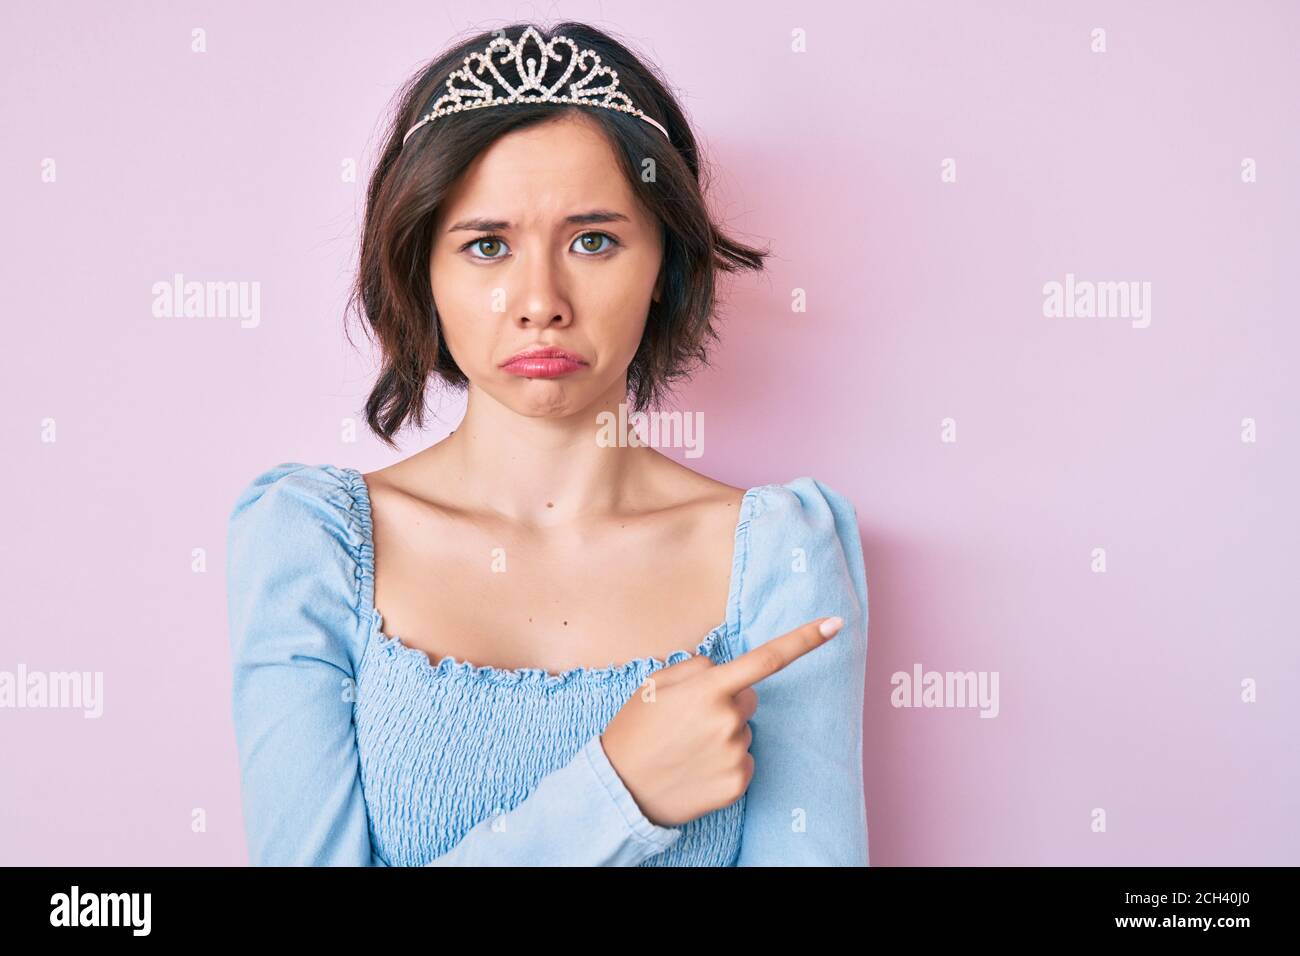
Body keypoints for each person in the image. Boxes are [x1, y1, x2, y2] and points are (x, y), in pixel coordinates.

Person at [225, 21, 869, 866]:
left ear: (663, 266)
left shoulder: (783, 555)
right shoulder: (311, 543)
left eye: (593, 240)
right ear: (422, 267)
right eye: (487, 246)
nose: (540, 301)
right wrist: (617, 794)